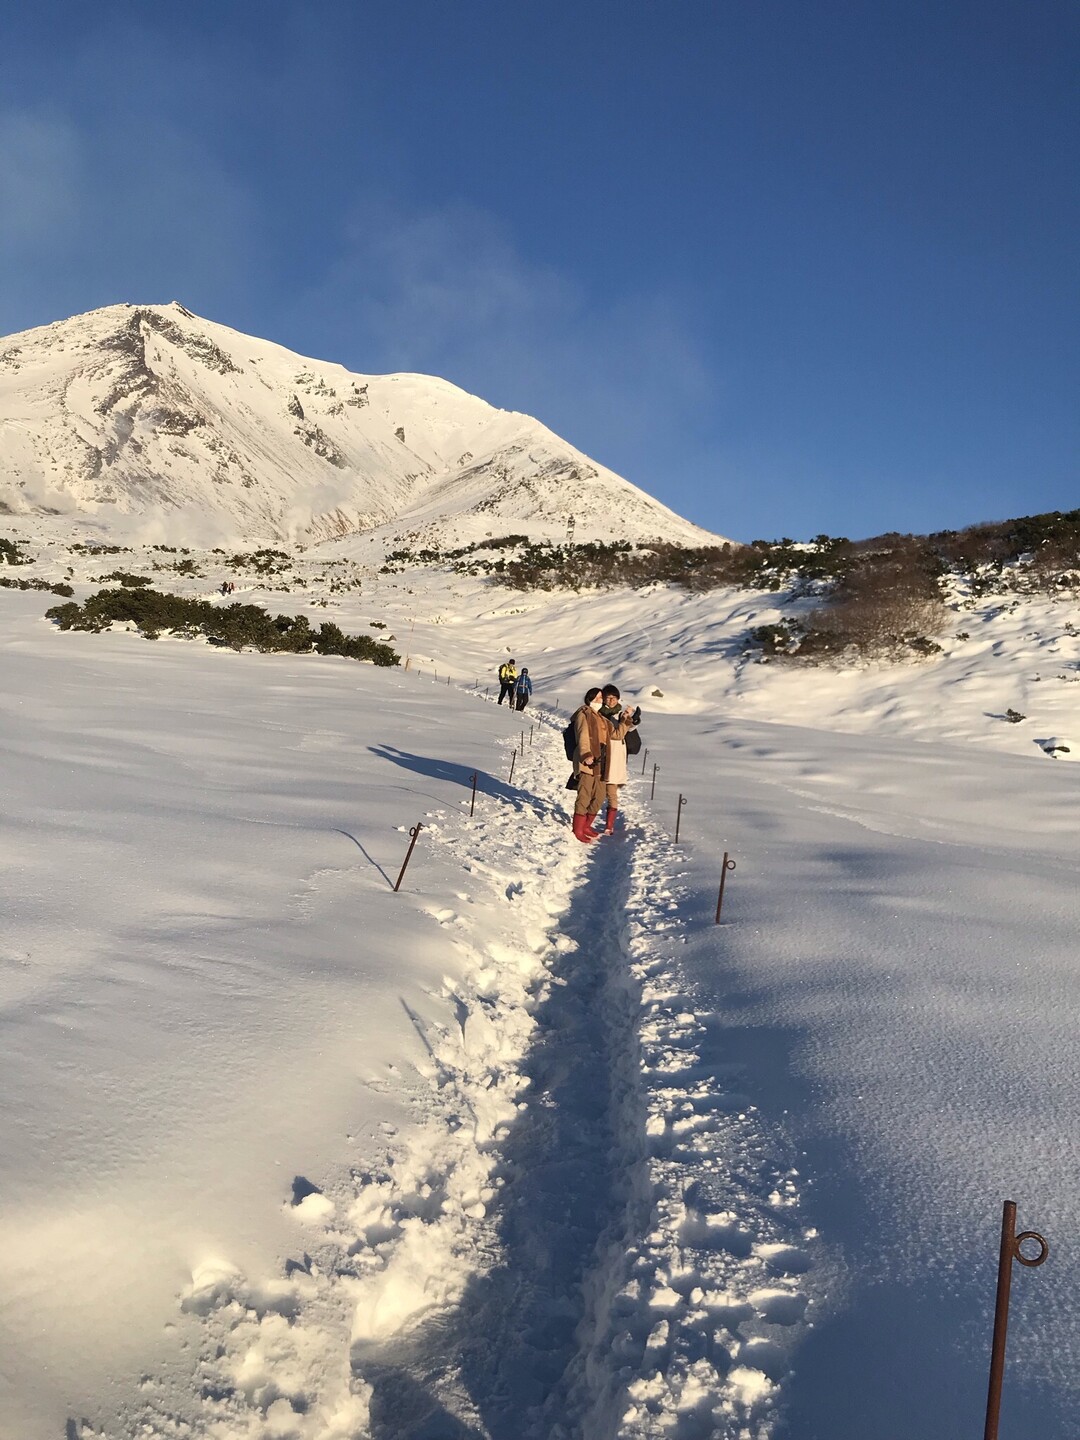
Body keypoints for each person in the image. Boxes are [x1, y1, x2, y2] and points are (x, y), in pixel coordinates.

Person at [570, 687, 635, 843]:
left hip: (602, 763)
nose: (601, 700)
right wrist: (586, 754)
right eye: (598, 698)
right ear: (590, 699)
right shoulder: (583, 714)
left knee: (598, 797)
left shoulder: (602, 719)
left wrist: (625, 720)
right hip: (588, 762)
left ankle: (586, 825)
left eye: (601, 698)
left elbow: (617, 735)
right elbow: (582, 735)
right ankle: (578, 829)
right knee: (585, 795)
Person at [597, 685, 638, 835]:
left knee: (612, 791)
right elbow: (619, 732)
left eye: (614, 697)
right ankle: (589, 821)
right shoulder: (600, 714)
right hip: (603, 755)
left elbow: (628, 729)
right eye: (608, 698)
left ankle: (609, 825)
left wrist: (632, 720)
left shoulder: (620, 713)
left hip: (617, 756)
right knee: (598, 791)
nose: (611, 700)